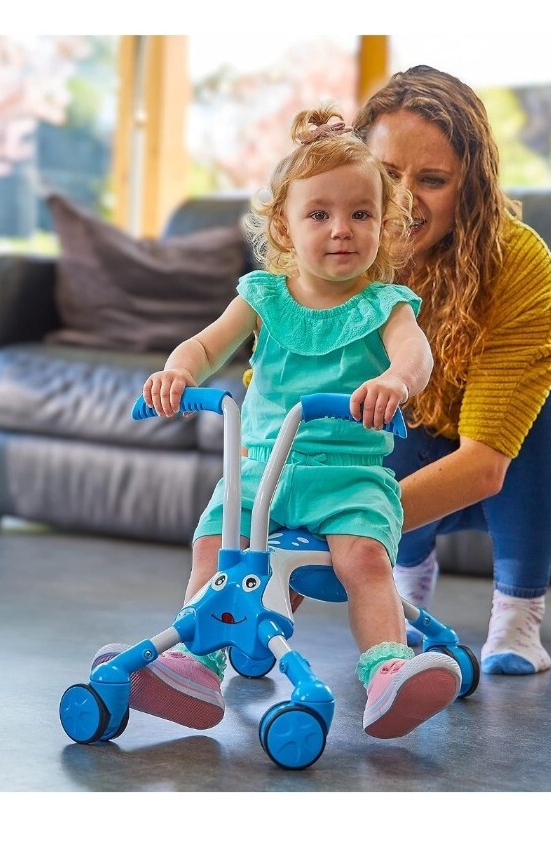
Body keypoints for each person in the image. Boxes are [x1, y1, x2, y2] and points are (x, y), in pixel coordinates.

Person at [92, 104, 464, 739]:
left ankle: (386, 671)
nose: (341, 230)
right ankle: (196, 663)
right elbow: (205, 346)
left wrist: (393, 382)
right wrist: (178, 374)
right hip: (260, 470)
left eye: (360, 214)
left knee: (366, 561)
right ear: (286, 229)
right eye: (319, 214)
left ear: (384, 224)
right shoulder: (262, 295)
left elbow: (415, 355)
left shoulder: (385, 304)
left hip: (346, 474)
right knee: (214, 547)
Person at [352, 65, 551, 675]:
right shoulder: (340, 248)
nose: (402, 200)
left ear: (470, 188)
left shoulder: (517, 258)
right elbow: (286, 386)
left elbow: (486, 462)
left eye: (432, 180)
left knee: (547, 380)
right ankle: (402, 593)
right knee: (377, 405)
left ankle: (518, 619)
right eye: (386, 175)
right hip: (422, 457)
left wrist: (352, 527)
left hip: (528, 466)